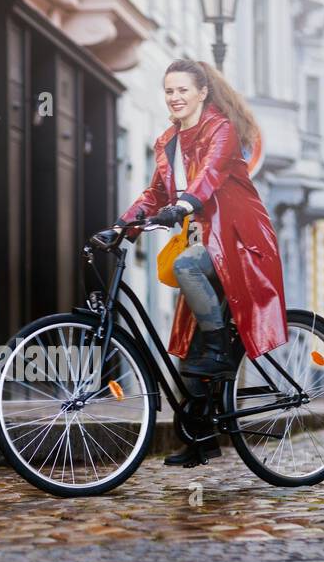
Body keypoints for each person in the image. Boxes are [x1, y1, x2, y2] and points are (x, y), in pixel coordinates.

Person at [90, 59, 288, 467]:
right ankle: (202, 440)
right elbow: (153, 195)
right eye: (169, 91)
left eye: (183, 90)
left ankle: (219, 347)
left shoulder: (221, 130)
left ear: (202, 93)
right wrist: (119, 226)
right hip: (201, 239)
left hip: (237, 239)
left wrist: (182, 205)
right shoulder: (167, 142)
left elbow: (210, 175)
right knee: (186, 355)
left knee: (186, 270)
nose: (175, 97)